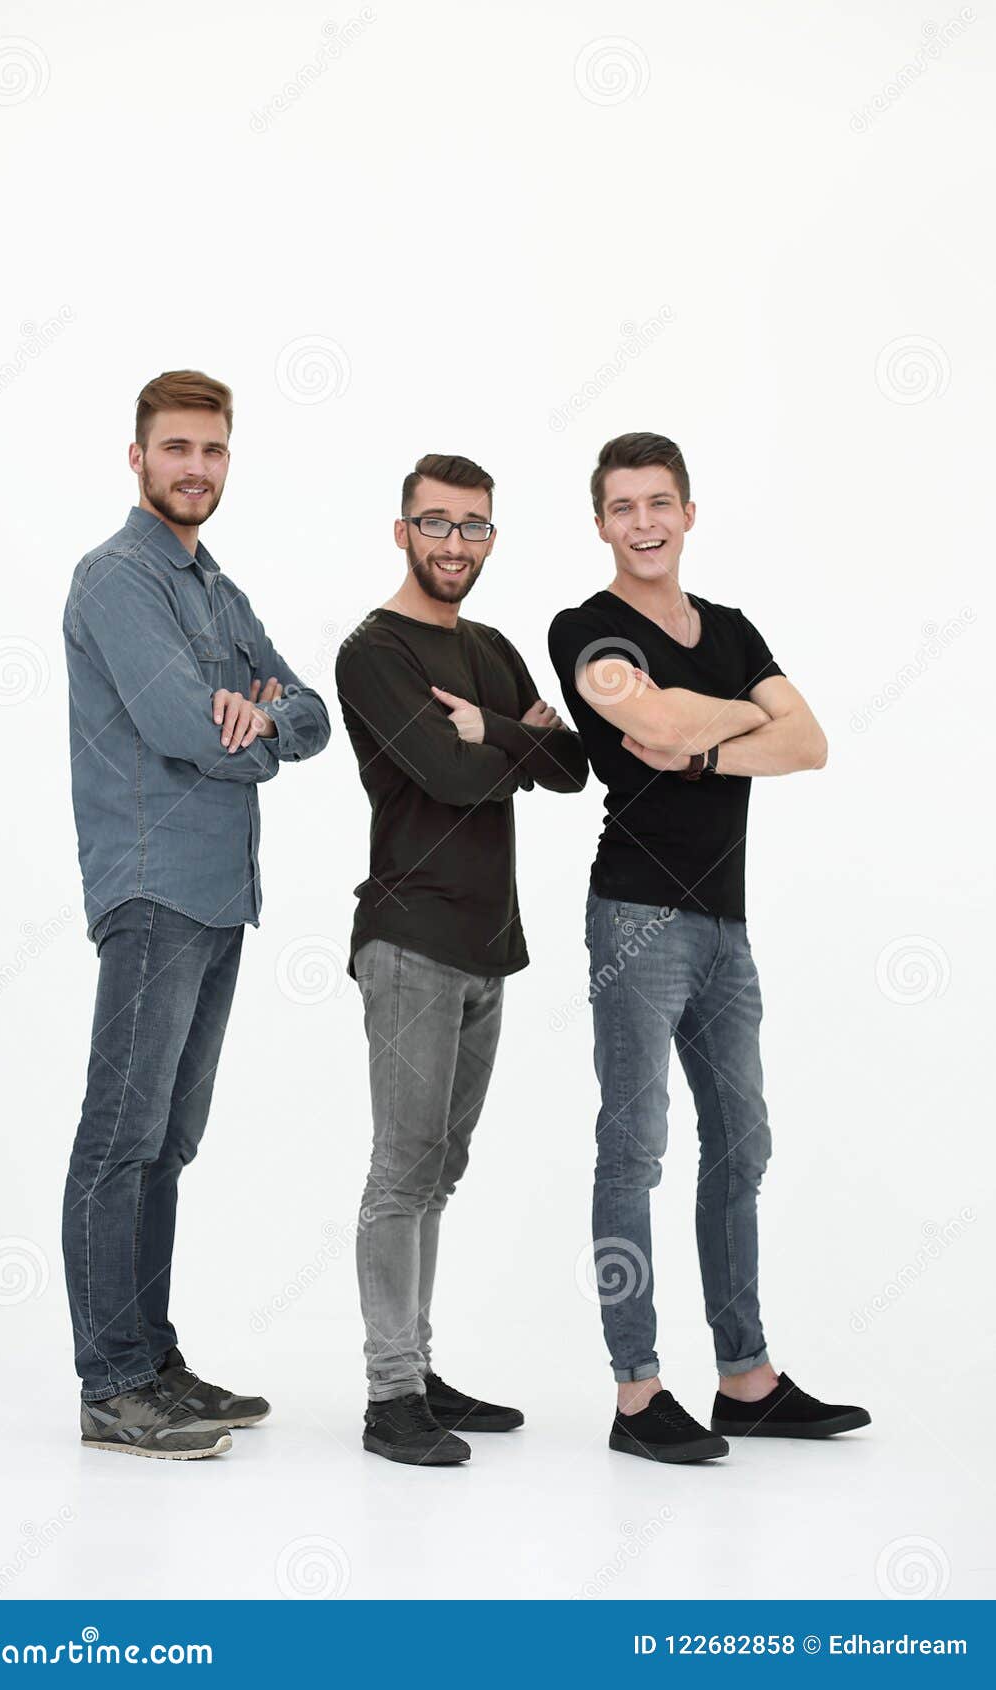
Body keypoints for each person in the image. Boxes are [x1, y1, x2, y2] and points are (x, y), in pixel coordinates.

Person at [548, 432, 870, 1464]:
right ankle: (636, 1393)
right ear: (599, 522)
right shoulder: (583, 627)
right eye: (622, 506)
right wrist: (727, 722)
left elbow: (809, 743)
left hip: (725, 924)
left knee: (741, 1141)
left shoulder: (730, 628)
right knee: (632, 1148)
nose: (642, 522)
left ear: (688, 513)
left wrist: (696, 730)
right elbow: (639, 717)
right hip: (634, 914)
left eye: (659, 502)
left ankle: (745, 1379)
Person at [63, 369, 330, 1459]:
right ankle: (110, 1382)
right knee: (119, 1139)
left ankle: (153, 1358)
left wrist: (263, 717)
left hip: (221, 897)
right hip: (150, 886)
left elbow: (308, 712)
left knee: (168, 1142)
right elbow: (184, 724)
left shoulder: (216, 589)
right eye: (176, 448)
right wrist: (245, 721)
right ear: (138, 457)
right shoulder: (116, 579)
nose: (196, 468)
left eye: (213, 450)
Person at [336, 452, 589, 1466]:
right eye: (434, 523)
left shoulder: (488, 646)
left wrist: (494, 729)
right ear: (400, 530)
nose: (452, 543)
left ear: (490, 536)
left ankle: (418, 1367)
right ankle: (389, 1395)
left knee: (441, 1169)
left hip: (487, 945)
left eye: (471, 526)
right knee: (401, 1171)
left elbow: (572, 766)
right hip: (409, 941)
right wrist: (505, 748)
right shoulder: (373, 651)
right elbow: (441, 775)